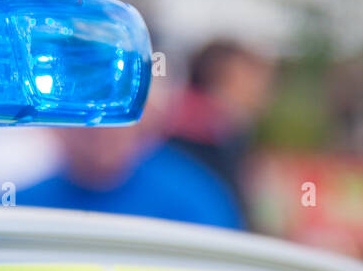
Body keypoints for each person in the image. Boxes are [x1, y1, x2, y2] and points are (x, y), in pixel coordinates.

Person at [19, 85, 244, 228]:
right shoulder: (21, 210)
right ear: (53, 124)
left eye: (115, 111)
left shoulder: (195, 202)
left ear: (147, 118)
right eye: (83, 112)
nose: (101, 127)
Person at [166, 39, 273, 228]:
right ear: (222, 76)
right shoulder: (200, 137)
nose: (261, 89)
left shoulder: (222, 133)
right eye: (251, 76)